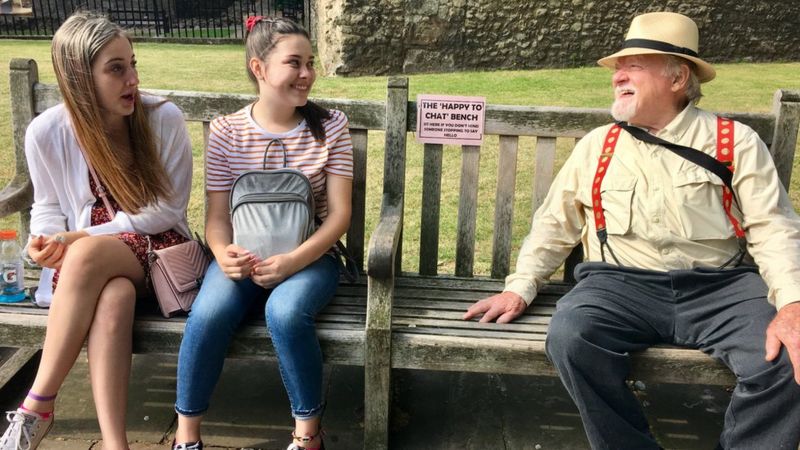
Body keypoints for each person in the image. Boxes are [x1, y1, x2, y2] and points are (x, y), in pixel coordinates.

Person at [463, 11, 800, 449]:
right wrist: (520, 286)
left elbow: (772, 225)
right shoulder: (598, 145)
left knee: (786, 360)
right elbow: (554, 223)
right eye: (617, 69)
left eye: (633, 66)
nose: (617, 76)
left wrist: (792, 303)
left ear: (678, 77)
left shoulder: (734, 141)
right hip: (619, 286)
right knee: (571, 337)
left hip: (721, 287)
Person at [0, 10, 193, 450]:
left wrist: (81, 238)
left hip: (159, 254)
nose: (132, 79)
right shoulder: (46, 132)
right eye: (116, 69)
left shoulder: (162, 118)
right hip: (90, 275)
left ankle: (36, 406)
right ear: (79, 78)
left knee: (87, 255)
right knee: (114, 296)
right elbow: (47, 207)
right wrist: (44, 241)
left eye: (132, 64)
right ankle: (114, 444)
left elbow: (168, 210)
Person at [172, 17, 352, 450]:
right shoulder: (227, 132)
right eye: (294, 63)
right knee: (208, 314)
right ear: (259, 68)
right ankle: (186, 438)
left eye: (310, 63)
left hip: (311, 260)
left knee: (285, 313)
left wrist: (291, 262)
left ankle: (308, 437)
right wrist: (222, 252)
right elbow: (218, 217)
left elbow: (339, 217)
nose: (306, 73)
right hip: (242, 258)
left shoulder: (331, 126)